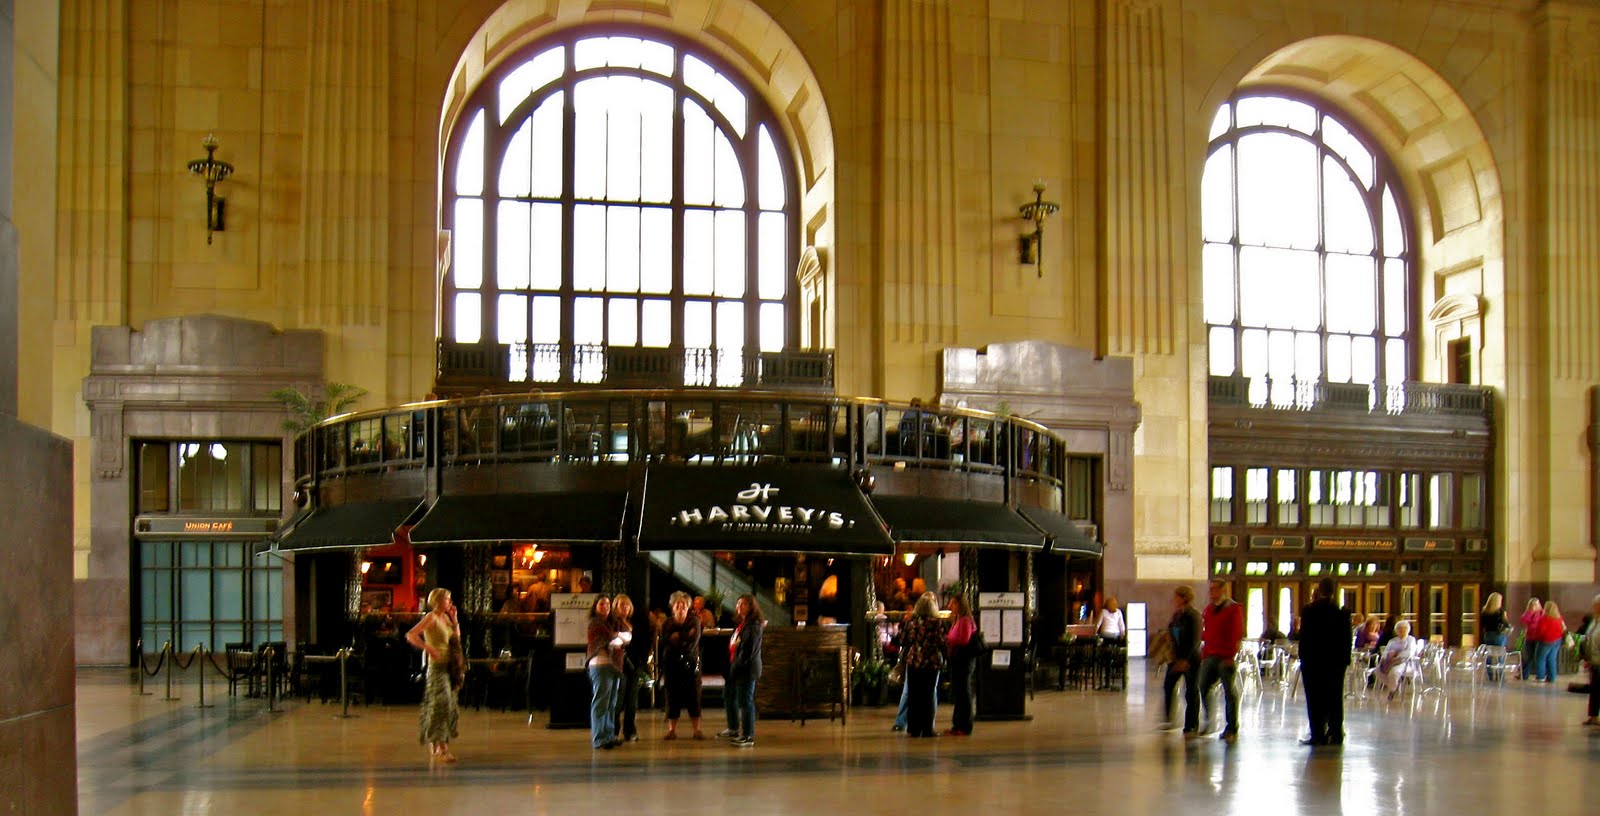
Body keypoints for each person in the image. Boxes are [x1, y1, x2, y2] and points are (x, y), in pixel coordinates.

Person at [405, 587, 461, 763]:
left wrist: (455, 619)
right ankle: (440, 747)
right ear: (438, 601)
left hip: (449, 666)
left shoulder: (445, 618)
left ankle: (438, 742)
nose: (450, 602)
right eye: (447, 599)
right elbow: (411, 635)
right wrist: (428, 648)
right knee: (441, 703)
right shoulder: (431, 617)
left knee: (448, 704)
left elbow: (456, 639)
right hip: (436, 667)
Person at [1297, 577, 1352, 746]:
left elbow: (1304, 638)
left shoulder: (1309, 611)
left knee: (1314, 698)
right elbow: (1346, 640)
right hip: (1335, 663)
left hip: (1313, 661)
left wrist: (1303, 658)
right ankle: (1336, 732)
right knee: (1335, 697)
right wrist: (1345, 661)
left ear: (1319, 590)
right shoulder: (1342, 613)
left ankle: (1318, 734)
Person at [1198, 578, 1244, 743]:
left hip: (1225, 657)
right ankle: (1210, 720)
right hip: (1210, 655)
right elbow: (1207, 631)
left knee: (1229, 691)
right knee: (1203, 685)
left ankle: (1232, 726)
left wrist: (1231, 656)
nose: (1211, 592)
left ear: (1223, 590)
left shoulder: (1233, 609)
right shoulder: (1209, 610)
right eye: (1210, 589)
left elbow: (1236, 633)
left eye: (1214, 589)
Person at [897, 592, 946, 738]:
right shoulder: (936, 623)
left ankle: (913, 727)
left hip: (914, 661)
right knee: (928, 695)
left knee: (914, 695)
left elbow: (903, 640)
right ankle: (927, 728)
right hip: (931, 662)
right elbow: (942, 642)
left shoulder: (911, 622)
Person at [1159, 585, 1203, 737]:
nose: (1174, 599)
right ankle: (1169, 719)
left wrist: (1185, 659)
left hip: (1191, 659)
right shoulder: (1177, 615)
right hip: (1176, 658)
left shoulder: (1194, 616)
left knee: (1191, 691)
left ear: (1184, 598)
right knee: (1168, 685)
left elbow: (1195, 639)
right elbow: (1171, 630)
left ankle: (1191, 725)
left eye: (1177, 596)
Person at [659, 591, 704, 740]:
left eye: (683, 605)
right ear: (672, 607)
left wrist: (677, 636)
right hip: (671, 663)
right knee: (672, 696)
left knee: (694, 695)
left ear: (688, 607)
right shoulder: (667, 622)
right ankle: (671, 730)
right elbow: (665, 641)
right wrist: (685, 635)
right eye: (678, 605)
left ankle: (697, 730)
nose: (681, 607)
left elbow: (692, 643)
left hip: (691, 663)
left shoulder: (694, 621)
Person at [720, 594, 763, 747]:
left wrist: (736, 664)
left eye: (743, 604)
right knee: (729, 696)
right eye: (738, 604)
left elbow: (747, 651)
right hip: (736, 668)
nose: (739, 607)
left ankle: (747, 735)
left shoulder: (753, 626)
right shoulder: (742, 624)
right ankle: (733, 728)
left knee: (746, 702)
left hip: (745, 670)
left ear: (751, 607)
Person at [585, 594, 623, 749]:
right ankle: (599, 738)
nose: (605, 606)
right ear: (595, 607)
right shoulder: (595, 623)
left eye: (607, 604)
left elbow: (624, 637)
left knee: (611, 703)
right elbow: (612, 639)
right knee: (601, 702)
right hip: (600, 666)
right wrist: (619, 637)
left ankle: (608, 735)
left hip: (613, 666)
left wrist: (619, 637)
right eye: (601, 604)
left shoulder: (612, 623)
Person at [944, 593, 979, 736]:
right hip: (957, 661)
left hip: (964, 660)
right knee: (959, 692)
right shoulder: (957, 620)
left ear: (960, 604)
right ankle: (957, 724)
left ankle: (965, 726)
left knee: (964, 692)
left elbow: (964, 640)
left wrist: (948, 640)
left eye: (953, 603)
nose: (950, 606)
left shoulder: (965, 620)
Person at [611, 593, 643, 742]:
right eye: (621, 604)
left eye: (627, 604)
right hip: (620, 664)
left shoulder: (632, 623)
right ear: (615, 607)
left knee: (632, 701)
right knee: (618, 700)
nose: (625, 607)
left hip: (634, 665)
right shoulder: (614, 623)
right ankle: (614, 731)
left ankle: (630, 731)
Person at [1376, 620, 1421, 697]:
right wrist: (1387, 655)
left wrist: (1396, 654)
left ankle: (1392, 690)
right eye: (1399, 628)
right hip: (1390, 662)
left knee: (1394, 672)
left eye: (1404, 628)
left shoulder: (1411, 640)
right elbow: (1385, 651)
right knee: (1377, 670)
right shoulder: (1392, 641)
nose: (1401, 630)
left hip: (1404, 662)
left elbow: (1409, 652)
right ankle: (1394, 685)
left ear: (1407, 629)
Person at [1529, 600, 1566, 683]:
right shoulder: (1559, 618)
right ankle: (1552, 677)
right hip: (1557, 641)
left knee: (1540, 658)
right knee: (1552, 658)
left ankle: (1541, 676)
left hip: (1546, 641)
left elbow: (1540, 631)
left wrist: (1536, 637)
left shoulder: (1544, 619)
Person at [1580, 594, 1600, 728]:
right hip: (1593, 660)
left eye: (1596, 606)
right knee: (1595, 690)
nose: (1594, 608)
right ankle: (1593, 716)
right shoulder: (1594, 621)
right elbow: (1589, 637)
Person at [1519, 597, 1543, 680]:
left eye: (1536, 605)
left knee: (1538, 657)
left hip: (1538, 637)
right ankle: (1524, 675)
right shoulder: (1528, 613)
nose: (1534, 606)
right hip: (1529, 637)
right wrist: (1530, 612)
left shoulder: (1541, 613)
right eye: (1533, 605)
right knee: (1527, 656)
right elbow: (1523, 619)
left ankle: (1540, 675)